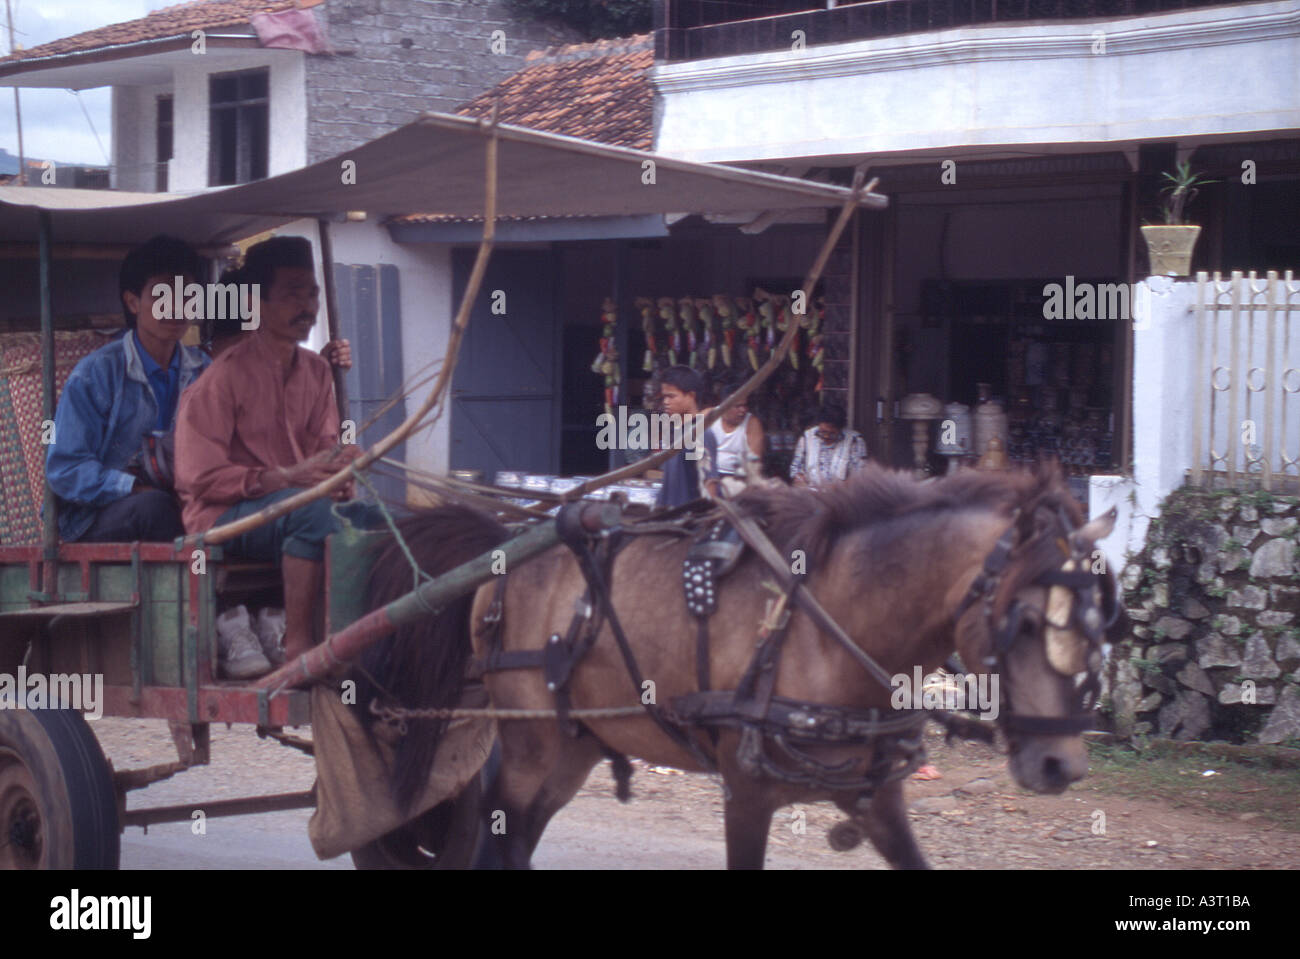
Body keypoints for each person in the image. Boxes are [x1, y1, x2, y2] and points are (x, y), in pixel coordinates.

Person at [176, 236, 362, 679]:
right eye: (292, 293)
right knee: (313, 515)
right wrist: (284, 477)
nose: (308, 305)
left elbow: (325, 445)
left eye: (312, 292)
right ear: (257, 304)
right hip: (220, 515)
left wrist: (341, 467)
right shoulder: (221, 379)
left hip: (286, 505)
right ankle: (297, 645)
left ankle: (351, 636)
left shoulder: (317, 371)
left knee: (368, 515)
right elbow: (198, 478)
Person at [46, 235, 211, 543]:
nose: (176, 307)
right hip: (95, 518)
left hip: (186, 506)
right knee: (155, 509)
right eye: (162, 294)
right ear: (133, 302)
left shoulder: (206, 371)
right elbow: (65, 470)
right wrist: (134, 487)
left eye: (188, 294)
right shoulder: (95, 375)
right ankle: (194, 587)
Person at [653, 366, 717, 509]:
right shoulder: (674, 432)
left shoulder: (702, 434)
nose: (666, 402)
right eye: (664, 397)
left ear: (691, 396)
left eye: (671, 396)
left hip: (689, 520)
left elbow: (710, 485)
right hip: (669, 517)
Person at [705, 382, 764, 498]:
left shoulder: (752, 423)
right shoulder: (709, 416)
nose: (743, 410)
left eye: (745, 405)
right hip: (709, 476)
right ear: (724, 406)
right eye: (737, 406)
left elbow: (754, 464)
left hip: (737, 478)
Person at [789, 403, 867, 489]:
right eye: (823, 432)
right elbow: (796, 468)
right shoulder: (807, 437)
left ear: (840, 429)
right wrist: (800, 481)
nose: (826, 436)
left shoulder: (854, 440)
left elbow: (859, 475)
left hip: (842, 497)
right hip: (810, 495)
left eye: (832, 433)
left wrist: (838, 489)